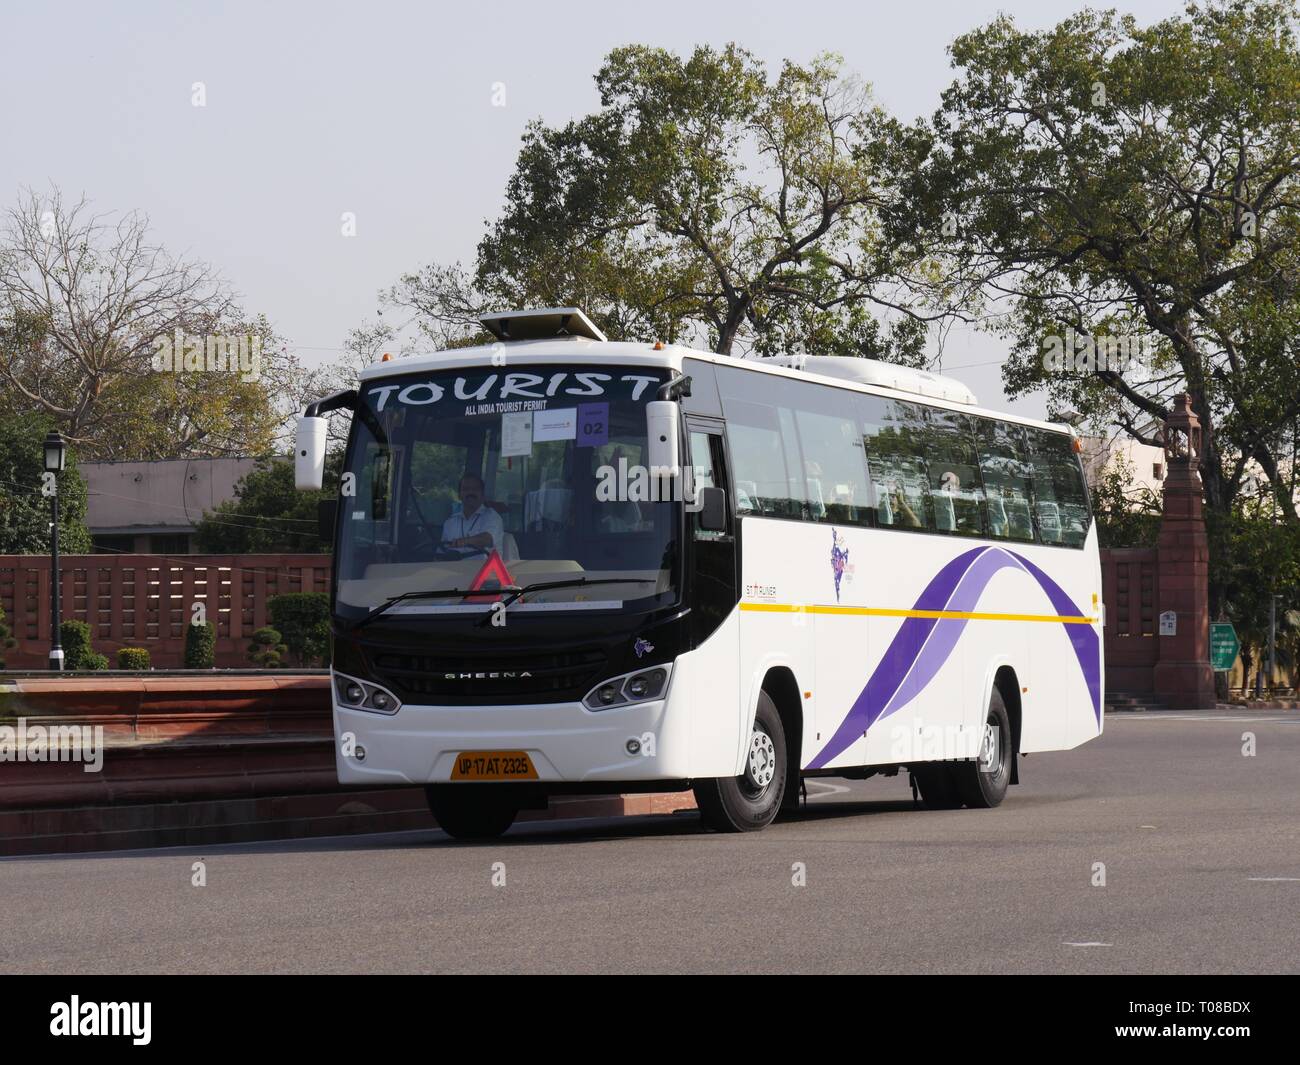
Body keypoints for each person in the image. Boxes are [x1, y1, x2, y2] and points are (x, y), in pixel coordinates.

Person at [441, 473, 503, 555]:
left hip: (484, 567)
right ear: (459, 495)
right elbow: (441, 552)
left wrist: (464, 541)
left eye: (475, 489)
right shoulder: (450, 523)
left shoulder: (492, 516)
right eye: (466, 489)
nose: (471, 492)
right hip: (452, 567)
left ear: (482, 494)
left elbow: (487, 539)